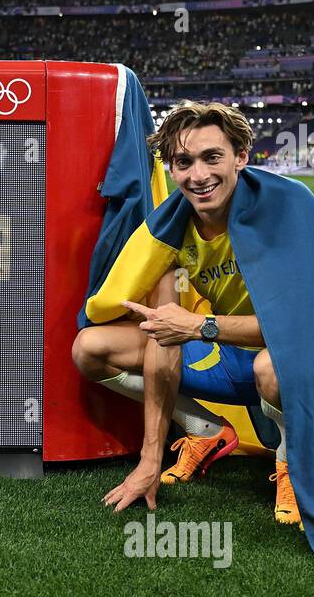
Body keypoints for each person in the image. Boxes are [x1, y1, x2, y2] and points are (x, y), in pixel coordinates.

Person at [71, 102, 297, 525]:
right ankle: (206, 432)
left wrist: (198, 325)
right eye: (184, 162)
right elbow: (165, 337)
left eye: (212, 157)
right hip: (224, 355)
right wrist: (149, 459)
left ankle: (293, 464)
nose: (199, 175)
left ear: (241, 157)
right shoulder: (170, 234)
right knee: (91, 347)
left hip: (279, 358)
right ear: (172, 170)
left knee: (273, 368)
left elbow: (295, 330)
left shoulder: (281, 216)